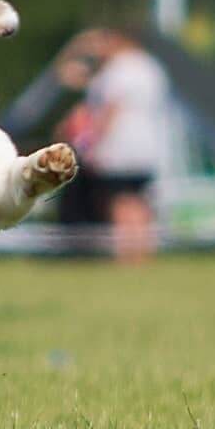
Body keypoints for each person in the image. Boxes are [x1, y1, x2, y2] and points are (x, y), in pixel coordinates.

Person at [54, 29, 171, 260]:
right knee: (137, 200)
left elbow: (109, 111)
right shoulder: (148, 67)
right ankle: (143, 252)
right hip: (148, 143)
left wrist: (90, 143)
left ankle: (128, 254)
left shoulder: (119, 71)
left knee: (122, 202)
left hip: (120, 144)